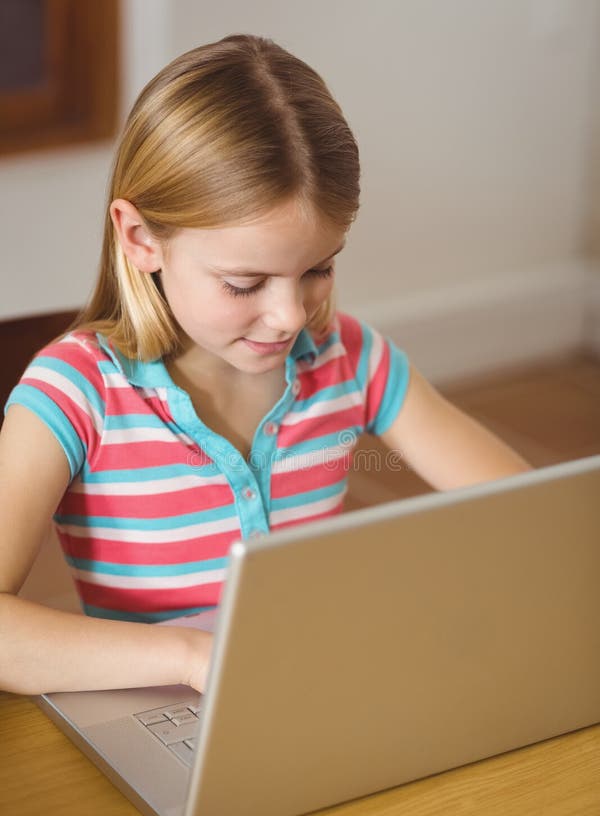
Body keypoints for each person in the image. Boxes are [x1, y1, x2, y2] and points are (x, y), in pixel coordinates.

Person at [0, 35, 530, 698]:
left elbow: (529, 518)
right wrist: (193, 658)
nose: (288, 316)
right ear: (140, 240)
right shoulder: (74, 393)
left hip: (314, 683)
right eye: (245, 282)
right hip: (156, 707)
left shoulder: (352, 361)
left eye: (318, 269)